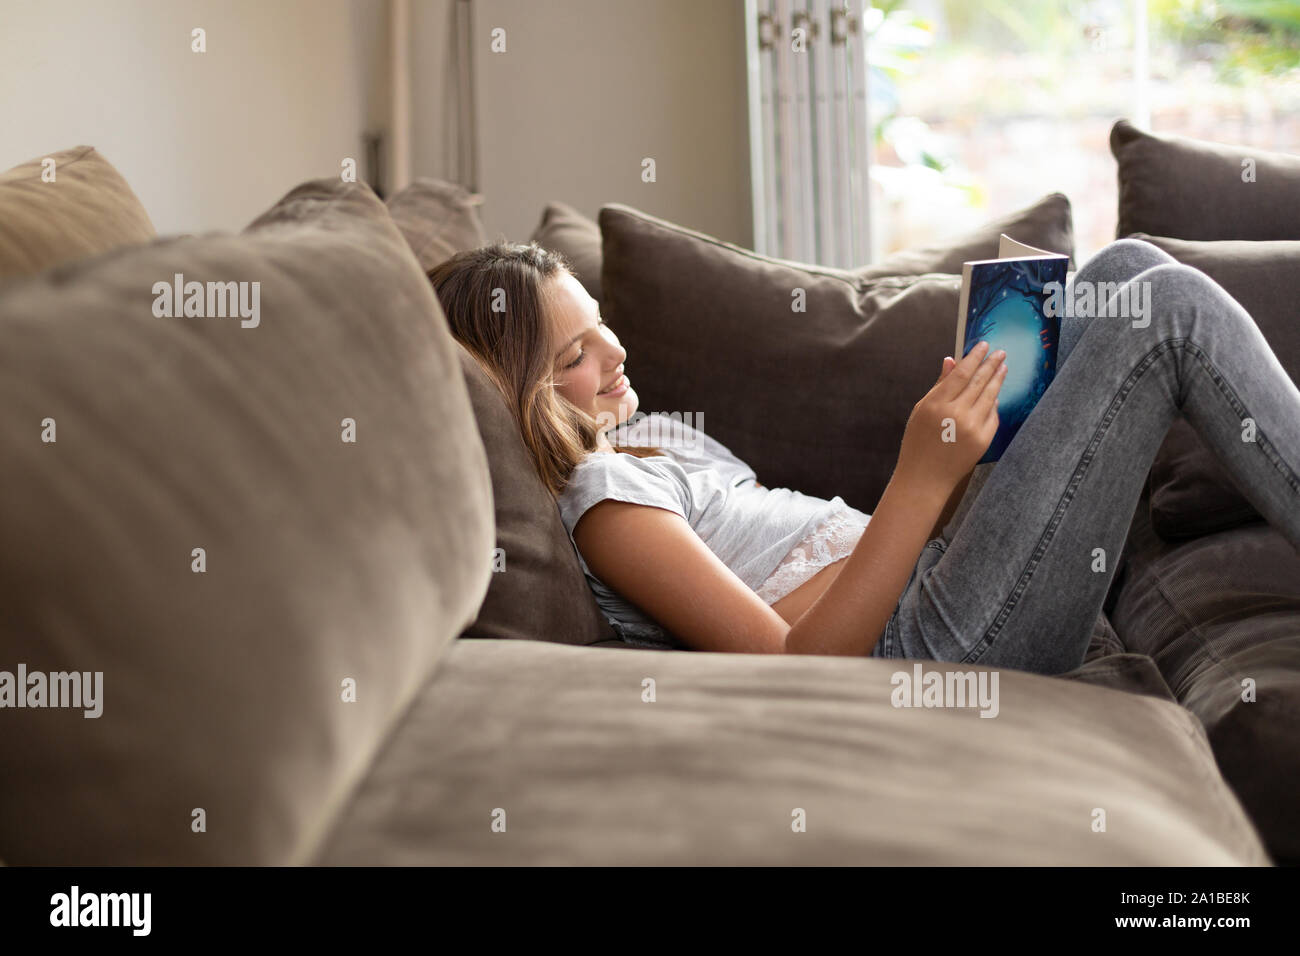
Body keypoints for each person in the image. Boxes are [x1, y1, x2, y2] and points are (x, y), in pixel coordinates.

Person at [429, 238, 1300, 675]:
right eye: (572, 354)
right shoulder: (604, 499)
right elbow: (795, 671)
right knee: (1168, 308)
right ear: (522, 394)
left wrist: (970, 457)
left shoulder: (649, 442)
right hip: (921, 645)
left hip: (943, 577)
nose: (613, 353)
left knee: (1126, 268)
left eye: (598, 322)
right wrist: (921, 479)